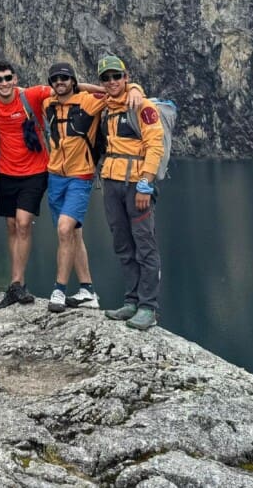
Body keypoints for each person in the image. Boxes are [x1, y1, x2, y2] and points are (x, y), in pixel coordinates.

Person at [0, 60, 54, 309]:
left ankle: (17, 283)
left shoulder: (31, 96)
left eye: (7, 78)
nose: (3, 83)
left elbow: (70, 87)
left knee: (24, 223)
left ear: (15, 79)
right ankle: (17, 284)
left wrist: (132, 87)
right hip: (6, 173)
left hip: (35, 171)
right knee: (12, 226)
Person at [95, 55, 165, 331]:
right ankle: (131, 300)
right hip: (111, 183)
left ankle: (149, 307)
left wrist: (146, 184)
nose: (112, 82)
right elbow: (79, 88)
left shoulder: (142, 106)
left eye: (117, 76)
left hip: (137, 184)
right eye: (106, 78)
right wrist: (132, 86)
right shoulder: (107, 107)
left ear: (126, 77)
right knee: (123, 244)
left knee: (145, 244)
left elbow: (155, 146)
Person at [42, 61, 109, 313]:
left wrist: (81, 87)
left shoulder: (89, 102)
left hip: (80, 176)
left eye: (65, 78)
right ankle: (87, 291)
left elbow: (111, 92)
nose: (60, 82)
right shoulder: (48, 104)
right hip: (55, 177)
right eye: (55, 79)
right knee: (73, 234)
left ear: (73, 81)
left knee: (64, 228)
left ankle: (59, 289)